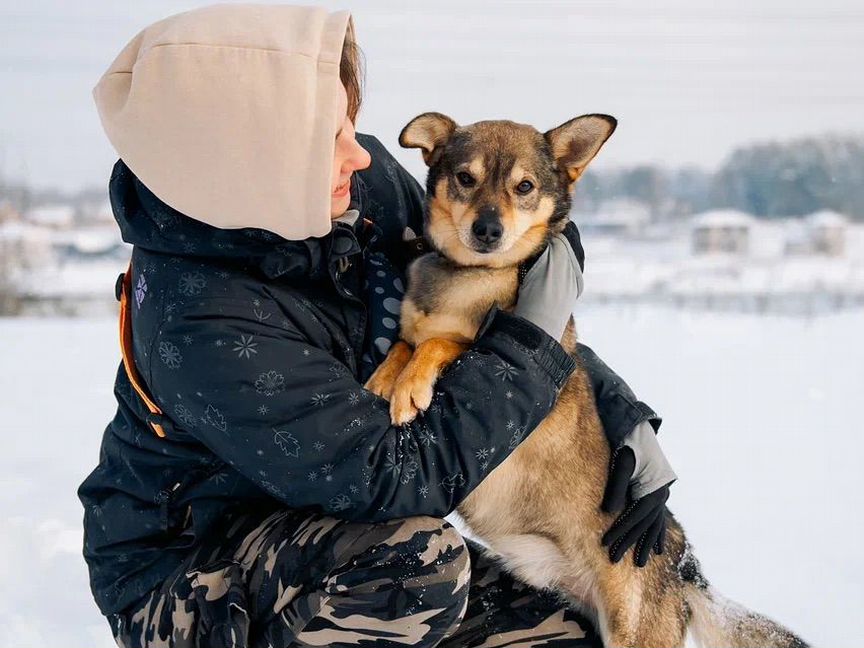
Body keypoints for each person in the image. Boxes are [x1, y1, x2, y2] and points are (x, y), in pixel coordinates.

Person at [78, 5, 676, 647]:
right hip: (194, 574)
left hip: (330, 528)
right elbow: (396, 476)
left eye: (349, 125)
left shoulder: (355, 191)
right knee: (417, 565)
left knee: (563, 630)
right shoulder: (201, 321)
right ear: (248, 154)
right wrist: (533, 346)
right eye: (326, 136)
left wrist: (618, 412)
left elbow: (486, 287)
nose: (356, 155)